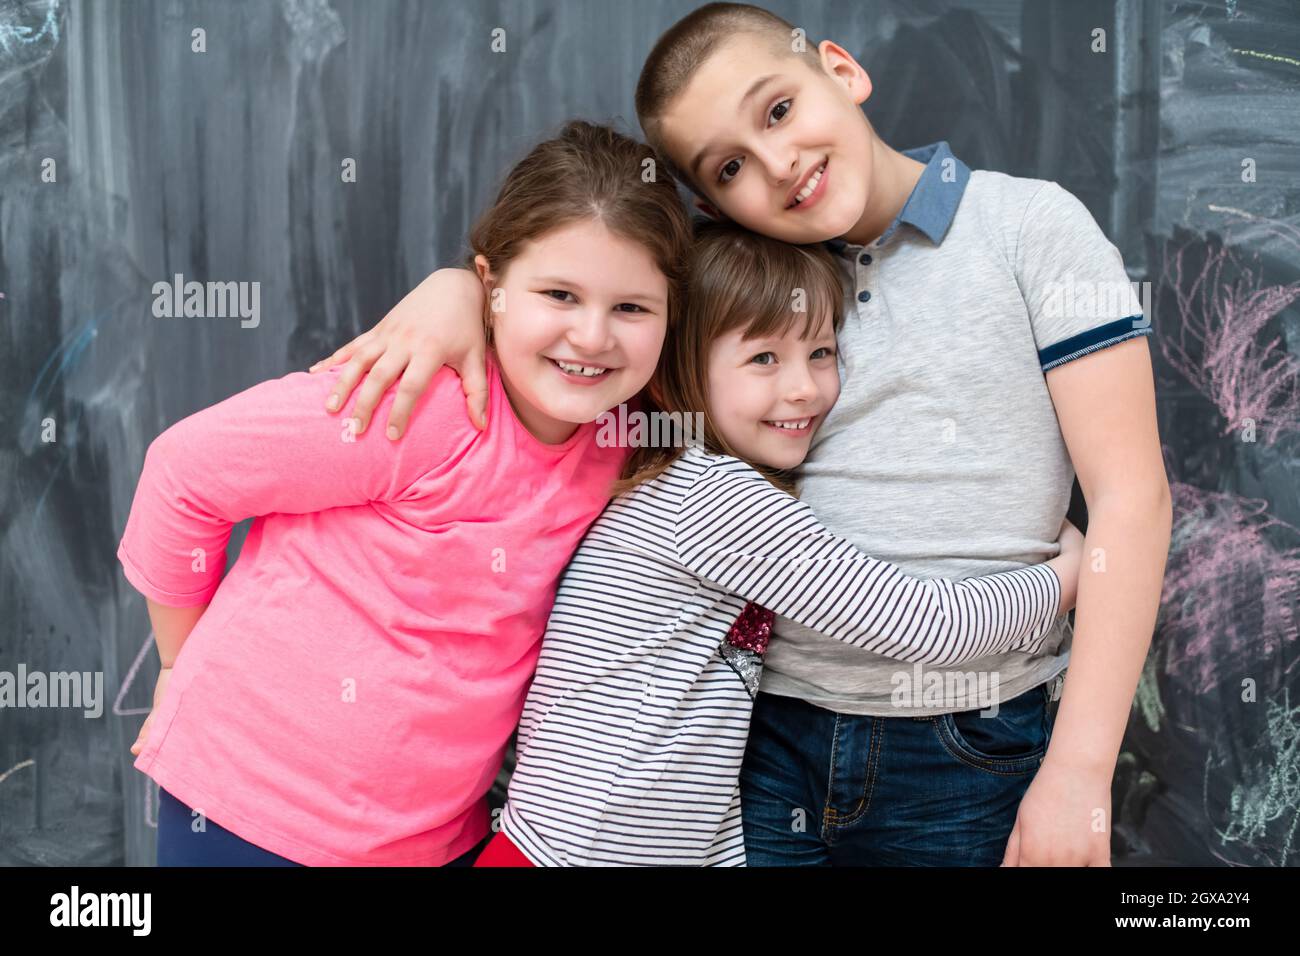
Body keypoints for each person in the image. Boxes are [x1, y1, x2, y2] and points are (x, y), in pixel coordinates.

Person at [309, 4, 1171, 867]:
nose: (778, 163)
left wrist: (1082, 770)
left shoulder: (1029, 229)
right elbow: (583, 289)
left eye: (780, 109)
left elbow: (1131, 497)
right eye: (730, 167)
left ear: (841, 70)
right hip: (756, 739)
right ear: (705, 201)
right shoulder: (738, 284)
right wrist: (459, 289)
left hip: (964, 736)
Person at [117, 120, 691, 866]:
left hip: (430, 835)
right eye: (558, 294)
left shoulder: (629, 440)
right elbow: (183, 472)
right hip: (245, 804)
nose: (590, 336)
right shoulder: (416, 400)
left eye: (631, 308)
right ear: (493, 288)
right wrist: (174, 664)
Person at [472, 219, 1083, 866]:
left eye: (821, 352)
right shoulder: (712, 499)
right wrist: (1070, 572)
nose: (804, 388)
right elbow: (930, 627)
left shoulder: (666, 468)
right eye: (764, 358)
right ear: (678, 367)